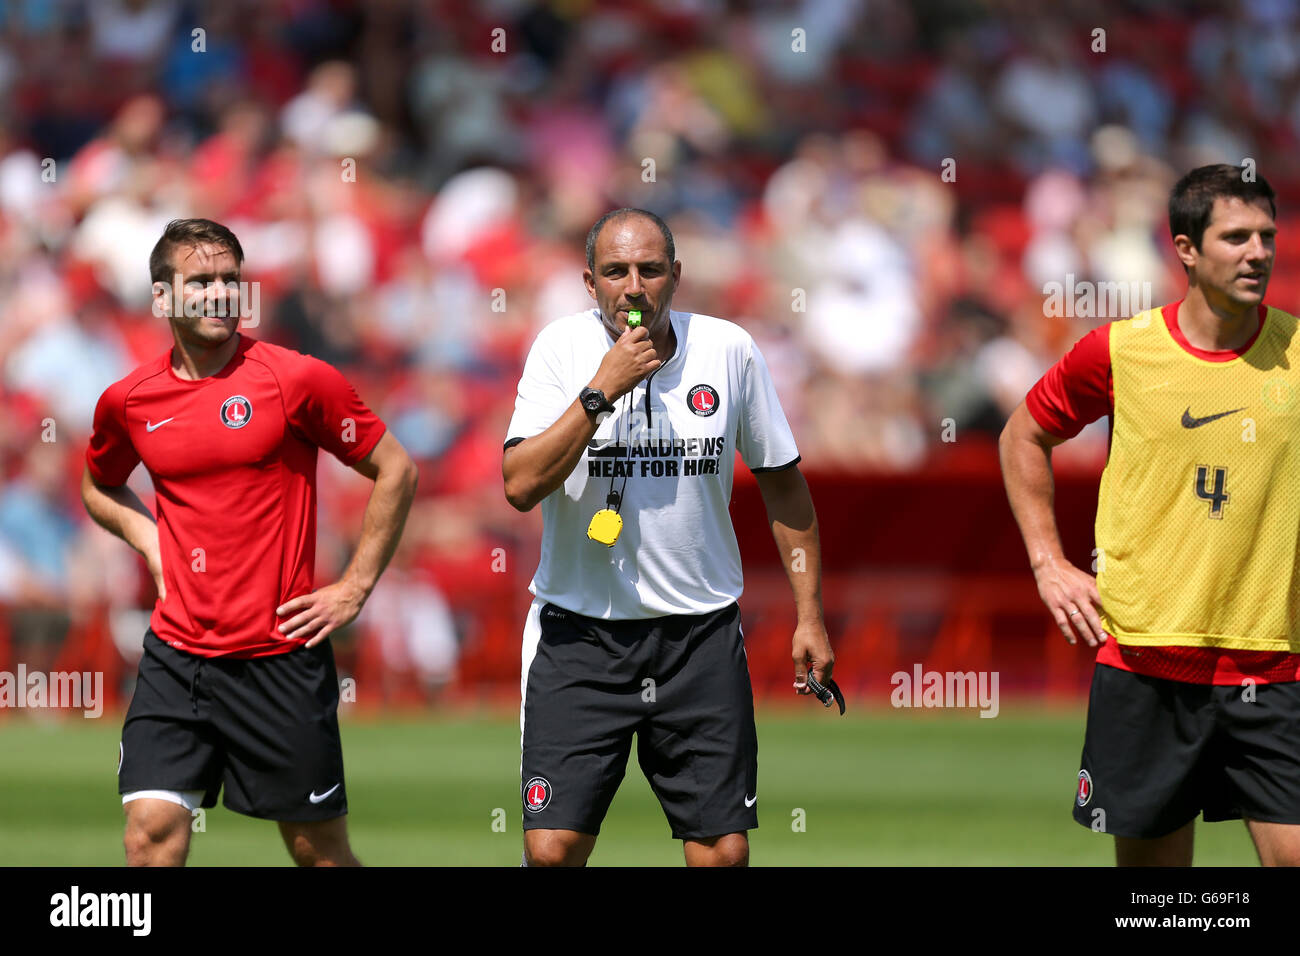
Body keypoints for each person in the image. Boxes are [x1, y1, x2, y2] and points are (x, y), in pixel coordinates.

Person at [503, 208, 834, 867]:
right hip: (580, 632)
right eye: (615, 271)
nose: (634, 286)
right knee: (553, 850)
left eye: (650, 270)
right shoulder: (559, 349)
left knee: (721, 854)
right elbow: (519, 484)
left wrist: (809, 614)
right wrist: (601, 390)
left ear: (676, 276)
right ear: (588, 281)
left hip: (699, 634)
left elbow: (784, 485)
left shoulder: (729, 349)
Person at [82, 218, 418, 866]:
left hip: (280, 660)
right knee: (149, 832)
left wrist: (354, 586)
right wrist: (149, 541)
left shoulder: (295, 380)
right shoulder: (128, 400)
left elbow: (396, 470)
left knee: (316, 852)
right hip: (177, 654)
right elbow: (98, 487)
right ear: (161, 299)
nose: (218, 294)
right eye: (200, 281)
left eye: (229, 281)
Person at [1000, 164, 1300, 866]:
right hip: (1147, 659)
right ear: (1186, 249)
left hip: (1275, 664)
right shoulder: (1121, 350)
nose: (1258, 251)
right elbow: (1023, 436)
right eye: (1236, 237)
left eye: (1267, 236)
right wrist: (1049, 562)